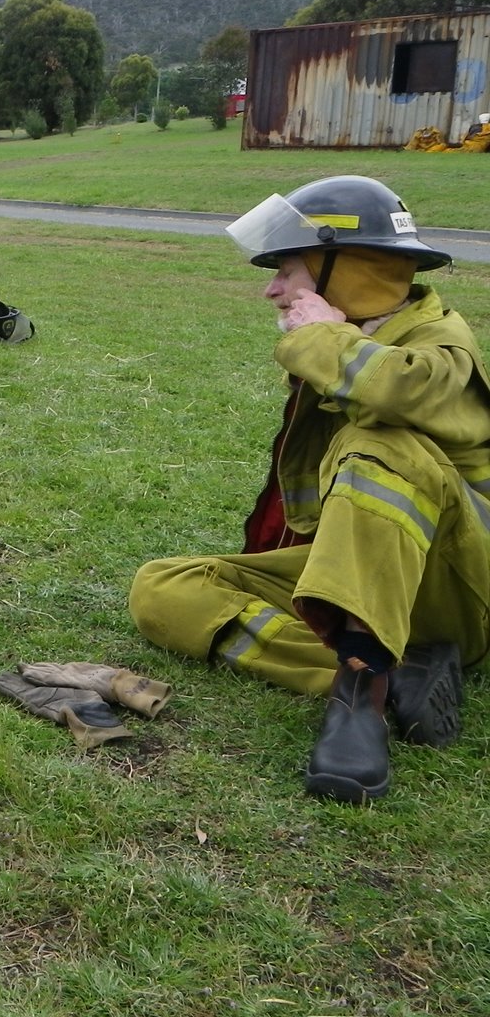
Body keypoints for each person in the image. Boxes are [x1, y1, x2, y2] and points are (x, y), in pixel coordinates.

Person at [129, 175, 490, 804]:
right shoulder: (363, 341)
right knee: (164, 587)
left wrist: (323, 333)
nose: (271, 289)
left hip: (455, 592)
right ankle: (383, 670)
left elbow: (392, 392)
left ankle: (362, 694)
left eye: (287, 271)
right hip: (370, 576)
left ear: (341, 269)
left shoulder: (440, 345)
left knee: (376, 443)